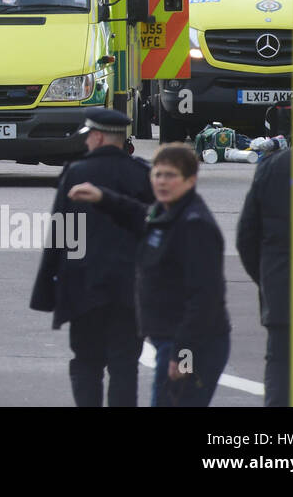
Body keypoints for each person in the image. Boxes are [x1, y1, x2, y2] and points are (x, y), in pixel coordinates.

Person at [69, 143, 231, 407]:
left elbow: (205, 299)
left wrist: (183, 355)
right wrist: (102, 197)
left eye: (170, 175)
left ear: (191, 180)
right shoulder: (165, 213)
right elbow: (138, 214)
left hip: (194, 345)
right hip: (170, 341)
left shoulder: (194, 225)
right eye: (157, 174)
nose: (162, 182)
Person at [30, 109, 153, 407]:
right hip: (130, 289)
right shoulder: (143, 173)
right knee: (124, 365)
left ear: (97, 137)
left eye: (87, 138)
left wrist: (46, 292)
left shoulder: (76, 173)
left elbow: (60, 236)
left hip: (84, 287)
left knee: (86, 363)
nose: (85, 143)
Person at [236, 147, 292, 407]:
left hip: (281, 291)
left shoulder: (272, 167)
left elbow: (246, 237)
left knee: (280, 368)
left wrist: (267, 279)